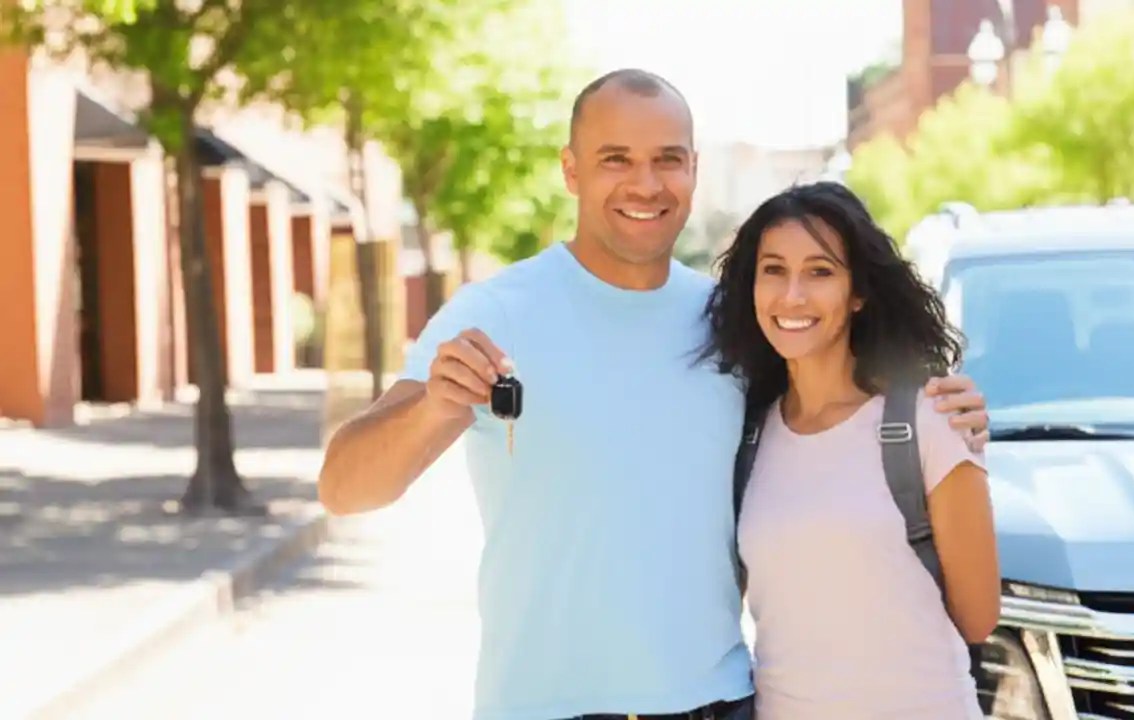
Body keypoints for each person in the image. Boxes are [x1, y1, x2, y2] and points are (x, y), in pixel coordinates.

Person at [317, 69, 991, 720]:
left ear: (693, 170)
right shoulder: (495, 314)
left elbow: (833, 412)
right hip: (549, 709)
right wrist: (435, 407)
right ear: (572, 170)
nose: (646, 183)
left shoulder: (735, 323)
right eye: (616, 159)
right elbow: (344, 489)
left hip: (719, 704)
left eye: (667, 159)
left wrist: (940, 410)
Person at [703, 181, 1000, 719]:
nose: (792, 295)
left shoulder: (929, 419)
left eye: (820, 272)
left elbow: (978, 617)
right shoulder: (746, 434)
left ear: (857, 291)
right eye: (773, 270)